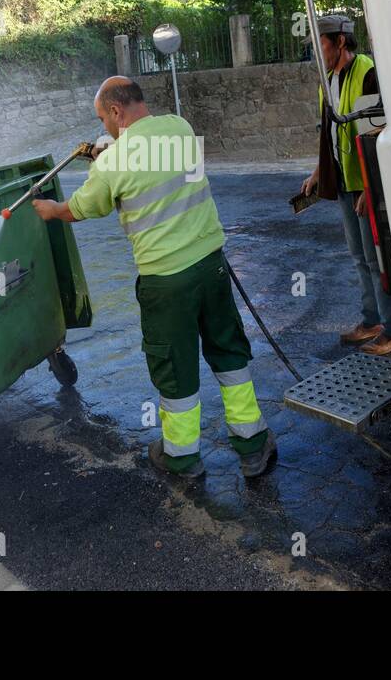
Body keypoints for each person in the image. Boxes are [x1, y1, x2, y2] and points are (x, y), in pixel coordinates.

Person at [32, 77, 277, 480]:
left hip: (166, 282)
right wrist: (111, 153)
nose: (105, 127)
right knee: (229, 352)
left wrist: (51, 210)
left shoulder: (112, 162)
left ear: (115, 111)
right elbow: (154, 162)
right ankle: (252, 448)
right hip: (211, 266)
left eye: (104, 118)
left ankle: (181, 457)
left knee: (175, 366)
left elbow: (83, 208)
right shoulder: (179, 128)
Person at [300, 15, 391, 356]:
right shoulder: (327, 80)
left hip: (366, 183)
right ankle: (371, 321)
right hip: (346, 179)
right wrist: (319, 172)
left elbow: (380, 131)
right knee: (360, 257)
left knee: (378, 259)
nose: (318, 53)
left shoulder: (368, 73)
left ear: (341, 42)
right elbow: (330, 130)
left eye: (322, 45)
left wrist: (370, 187)